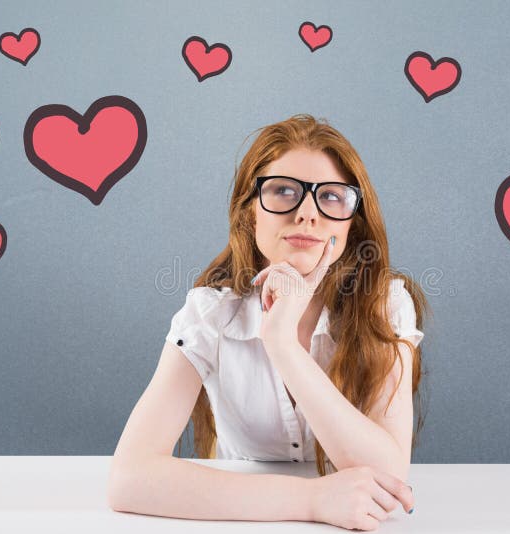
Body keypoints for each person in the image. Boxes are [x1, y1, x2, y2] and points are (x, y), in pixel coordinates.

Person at [108, 114, 430, 531]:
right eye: (282, 192)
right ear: (249, 213)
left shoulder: (386, 305)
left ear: (353, 222)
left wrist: (282, 344)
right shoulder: (208, 314)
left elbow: (386, 476)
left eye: (332, 197)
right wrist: (312, 499)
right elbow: (129, 479)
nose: (308, 214)